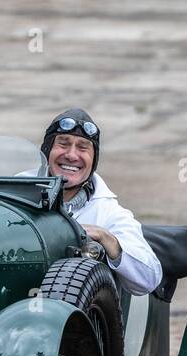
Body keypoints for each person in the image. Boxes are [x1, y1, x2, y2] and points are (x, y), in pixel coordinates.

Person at [40, 108, 162, 296]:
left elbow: (149, 278)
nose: (72, 155)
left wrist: (106, 239)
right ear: (47, 150)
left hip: (80, 320)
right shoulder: (13, 193)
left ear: (93, 159)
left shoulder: (109, 212)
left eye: (83, 148)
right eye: (63, 144)